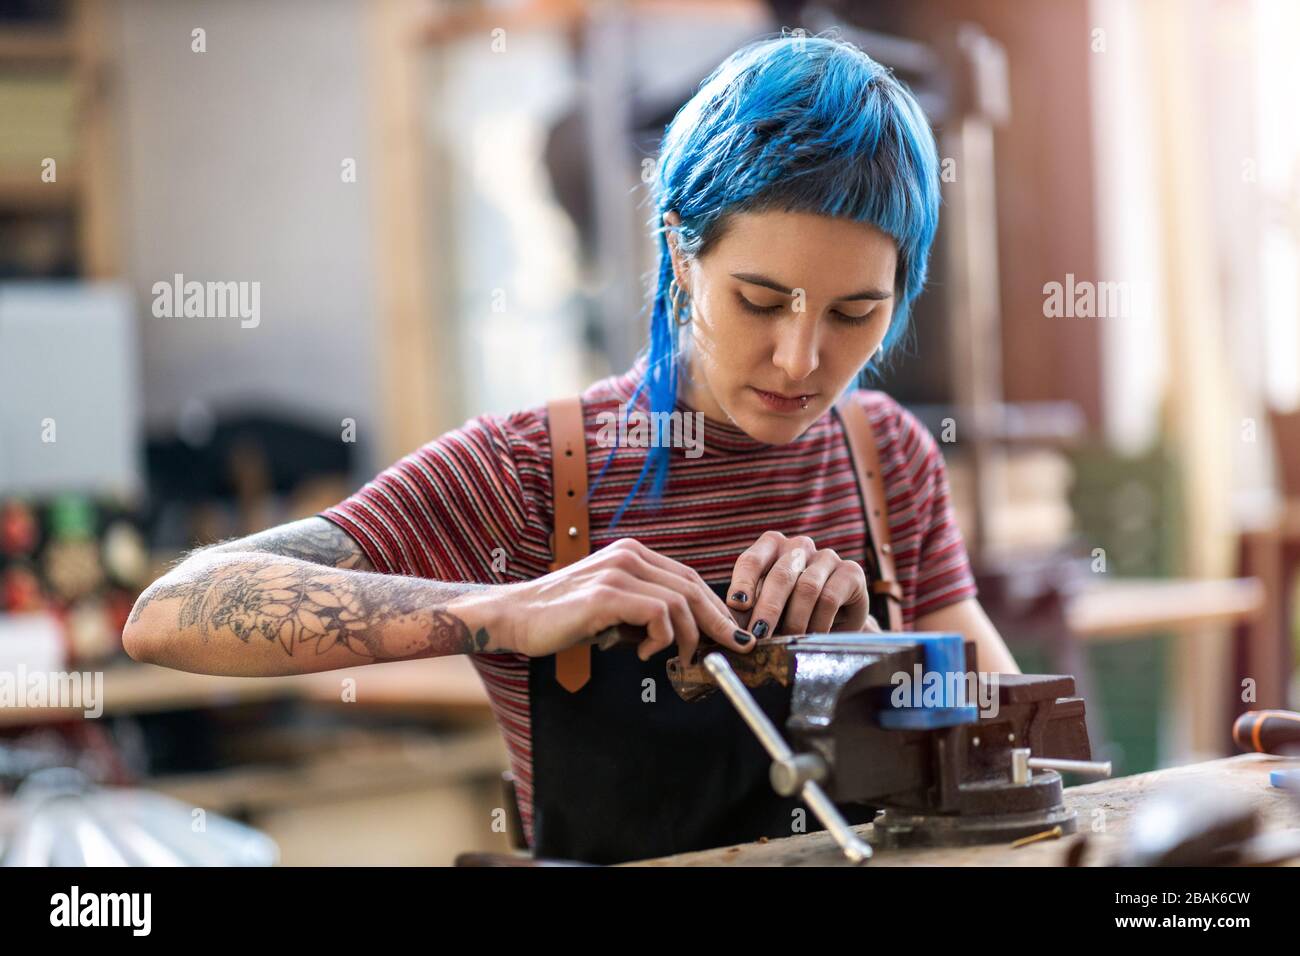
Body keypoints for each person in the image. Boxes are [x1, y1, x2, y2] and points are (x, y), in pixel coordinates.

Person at [125, 32, 1020, 864]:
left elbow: (1012, 758)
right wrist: (507, 609)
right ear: (679, 247)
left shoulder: (886, 457)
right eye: (758, 299)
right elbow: (172, 612)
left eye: (853, 314)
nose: (800, 359)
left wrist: (874, 659)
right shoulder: (534, 472)